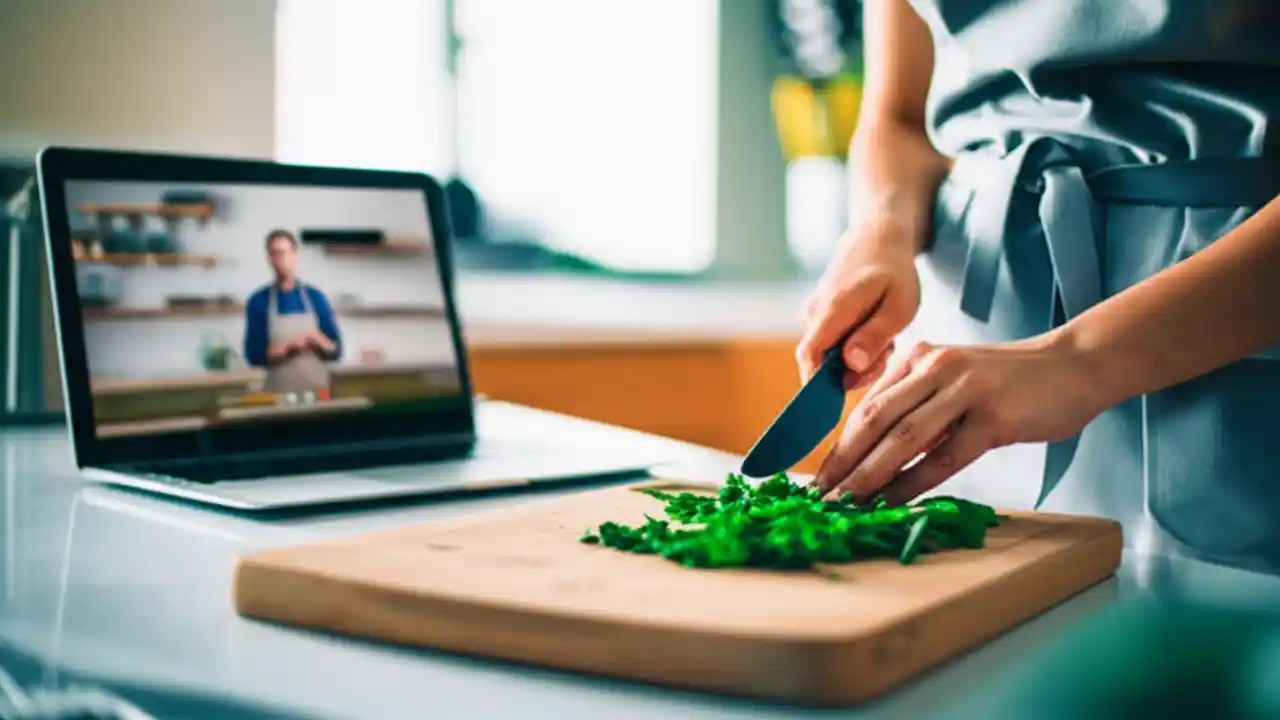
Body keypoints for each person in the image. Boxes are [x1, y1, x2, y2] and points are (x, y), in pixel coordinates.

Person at [800, 0, 1280, 569]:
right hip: (971, 339)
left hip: (1222, 339)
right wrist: (881, 229)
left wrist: (1077, 360)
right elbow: (900, 117)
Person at [243, 229, 342, 392]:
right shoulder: (258, 301)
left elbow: (336, 351)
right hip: (278, 396)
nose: (281, 260)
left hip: (318, 394)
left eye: (285, 253)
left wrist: (319, 340)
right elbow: (253, 357)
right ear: (269, 259)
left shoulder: (316, 297)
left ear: (296, 255)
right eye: (275, 254)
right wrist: (282, 349)